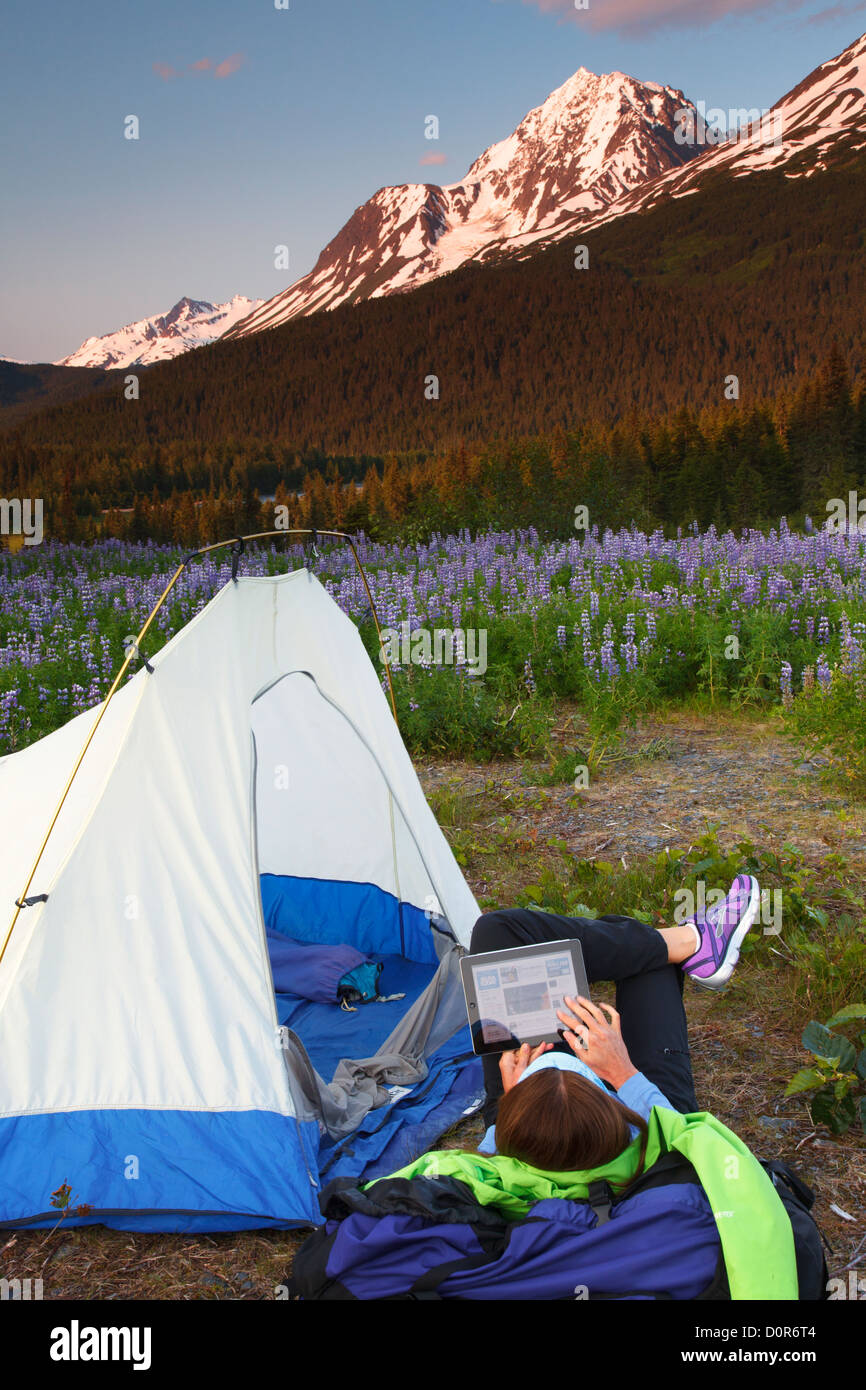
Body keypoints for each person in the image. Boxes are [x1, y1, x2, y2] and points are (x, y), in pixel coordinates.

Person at [289, 874, 827, 1300]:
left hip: (529, 1131)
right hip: (629, 1133)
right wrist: (625, 1075)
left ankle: (677, 942)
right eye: (589, 1076)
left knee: (496, 934)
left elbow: (430, 1184)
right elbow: (688, 1139)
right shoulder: (665, 1160)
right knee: (648, 967)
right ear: (612, 1110)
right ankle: (689, 942)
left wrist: (510, 1115)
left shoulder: (482, 1170)